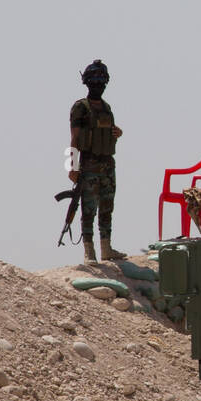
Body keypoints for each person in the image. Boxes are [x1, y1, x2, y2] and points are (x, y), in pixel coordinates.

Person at [68, 59, 126, 261]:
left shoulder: (106, 107)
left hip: (108, 165)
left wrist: (116, 132)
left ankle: (106, 248)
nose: (98, 85)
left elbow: (108, 131)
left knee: (107, 207)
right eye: (94, 81)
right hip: (89, 164)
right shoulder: (80, 107)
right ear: (87, 83)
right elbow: (74, 138)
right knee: (88, 208)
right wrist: (72, 167)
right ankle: (89, 250)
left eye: (101, 82)